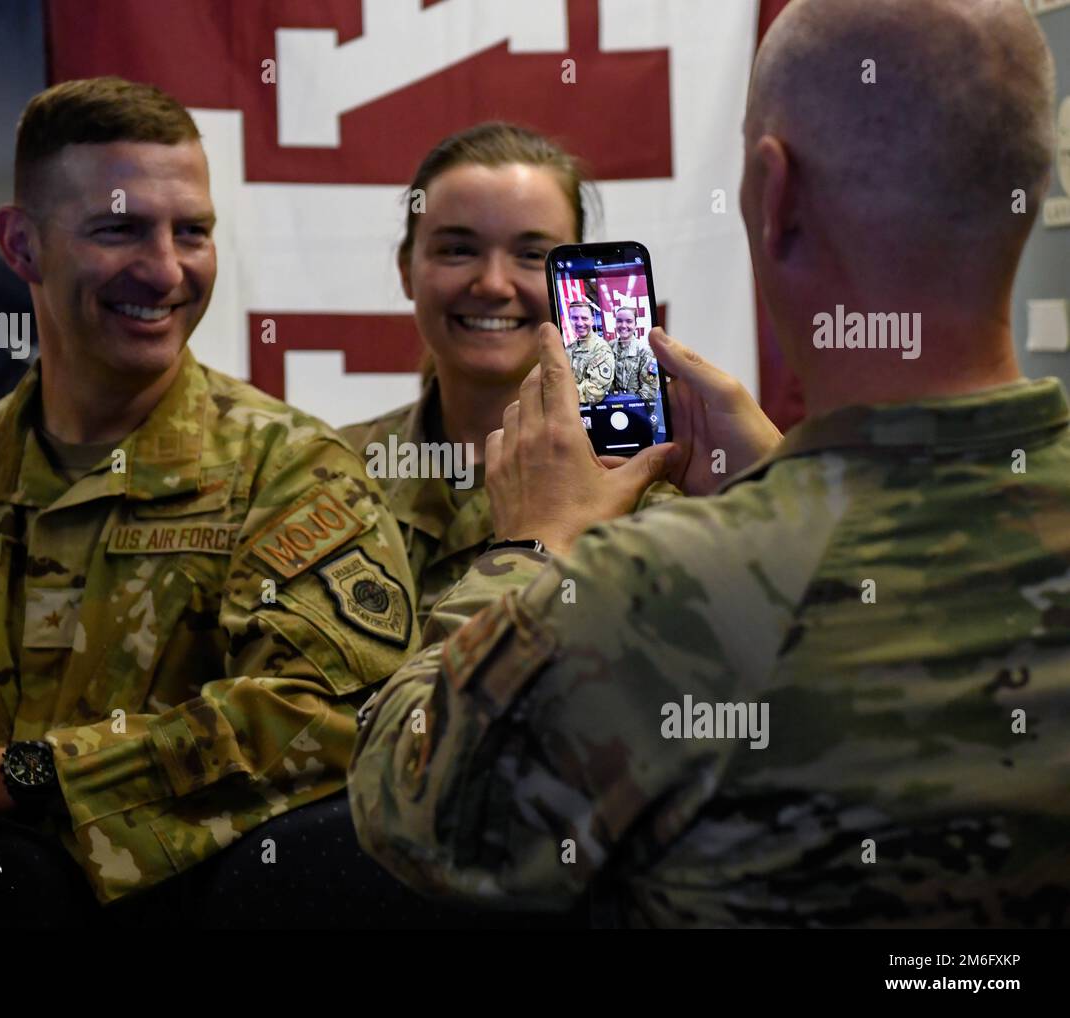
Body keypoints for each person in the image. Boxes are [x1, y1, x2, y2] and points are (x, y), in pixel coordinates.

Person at [348, 0, 1070, 927]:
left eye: (533, 252)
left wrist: (531, 552)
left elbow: (415, 803)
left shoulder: (653, 592)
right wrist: (775, 476)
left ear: (774, 195)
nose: (494, 283)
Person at [0, 76, 419, 922]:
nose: (165, 268)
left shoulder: (289, 472)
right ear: (22, 244)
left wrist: (15, 776)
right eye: (120, 230)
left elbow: (330, 723)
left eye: (193, 231)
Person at [340, 123, 590, 634]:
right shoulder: (328, 475)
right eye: (457, 250)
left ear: (575, 282)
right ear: (407, 269)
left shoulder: (637, 480)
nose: (493, 285)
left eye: (531, 254)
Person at [565, 300, 615, 403]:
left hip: (591, 412)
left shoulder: (601, 349)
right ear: (569, 320)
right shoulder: (569, 349)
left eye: (584, 318)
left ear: (592, 321)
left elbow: (596, 391)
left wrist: (563, 394)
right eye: (574, 318)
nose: (579, 323)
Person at [612, 306, 657, 400]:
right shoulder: (608, 347)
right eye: (619, 321)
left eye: (629, 321)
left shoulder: (645, 351)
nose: (623, 325)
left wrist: (633, 407)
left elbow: (650, 388)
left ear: (635, 325)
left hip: (637, 407)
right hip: (612, 405)